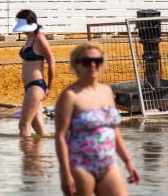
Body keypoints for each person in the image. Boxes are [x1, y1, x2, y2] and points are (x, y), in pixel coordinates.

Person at [55, 43, 139, 195]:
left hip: (108, 164)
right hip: (80, 165)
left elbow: (114, 130)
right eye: (87, 62)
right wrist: (65, 173)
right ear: (77, 65)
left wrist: (128, 162)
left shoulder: (107, 91)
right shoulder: (70, 96)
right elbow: (60, 137)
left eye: (97, 61)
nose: (93, 65)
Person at [14, 9, 55, 136]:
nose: (23, 30)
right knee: (39, 130)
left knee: (23, 125)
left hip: (36, 87)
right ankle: (38, 156)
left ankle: (26, 156)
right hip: (29, 87)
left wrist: (49, 87)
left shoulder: (39, 38)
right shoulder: (29, 38)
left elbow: (52, 61)